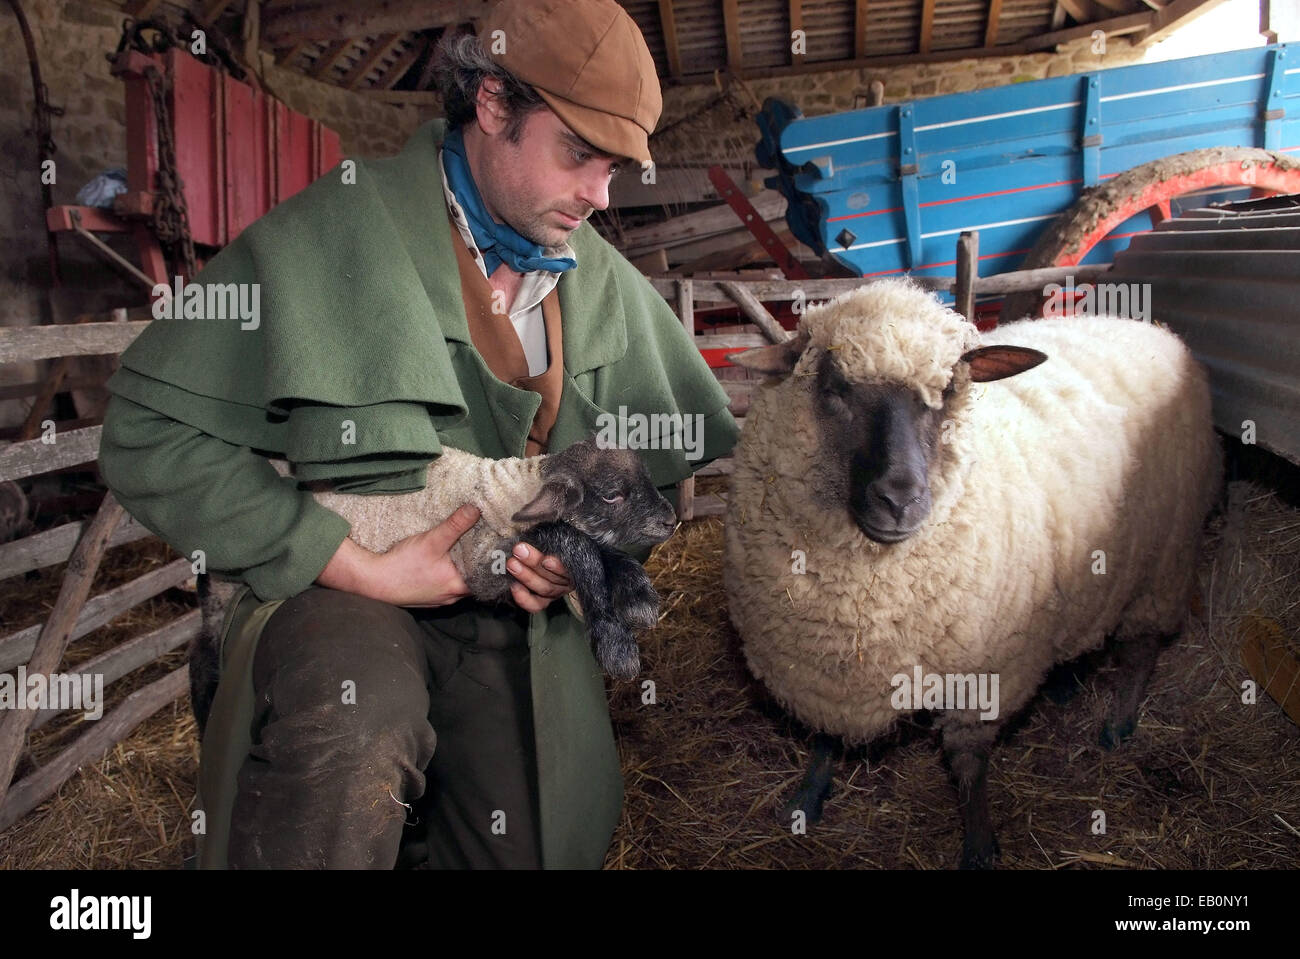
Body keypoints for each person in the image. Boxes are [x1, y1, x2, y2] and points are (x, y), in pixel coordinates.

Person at [97, 0, 738, 869]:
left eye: (617, 166)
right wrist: (344, 558)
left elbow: (636, 492)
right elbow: (145, 430)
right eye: (579, 154)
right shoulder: (332, 236)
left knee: (534, 834)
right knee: (352, 738)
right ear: (491, 104)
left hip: (502, 615)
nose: (600, 195)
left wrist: (564, 572)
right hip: (342, 596)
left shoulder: (609, 291)